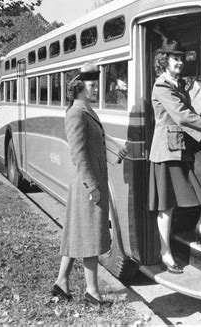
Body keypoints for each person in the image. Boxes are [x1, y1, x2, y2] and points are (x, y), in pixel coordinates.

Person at [52, 62, 127, 307]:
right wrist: (92, 186)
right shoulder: (76, 113)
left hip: (87, 181)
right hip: (88, 184)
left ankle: (61, 283)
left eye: (96, 85)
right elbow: (78, 154)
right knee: (91, 237)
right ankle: (92, 292)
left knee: (77, 234)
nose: (96, 89)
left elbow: (95, 143)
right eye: (92, 85)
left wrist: (114, 150)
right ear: (81, 87)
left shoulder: (86, 110)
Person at [149, 39, 201, 274]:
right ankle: (165, 253)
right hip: (167, 152)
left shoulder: (180, 84)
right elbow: (182, 116)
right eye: (175, 59)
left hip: (183, 148)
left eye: (182, 58)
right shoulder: (162, 87)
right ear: (165, 61)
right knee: (167, 207)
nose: (180, 62)